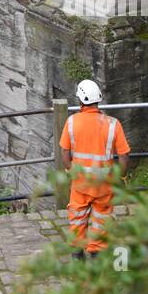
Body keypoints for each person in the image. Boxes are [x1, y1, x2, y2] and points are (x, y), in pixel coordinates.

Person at [59, 78, 130, 258]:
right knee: (101, 220)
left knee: (77, 218)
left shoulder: (72, 122)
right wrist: (120, 177)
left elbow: (65, 152)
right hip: (104, 185)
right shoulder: (113, 124)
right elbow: (124, 155)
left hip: (80, 183)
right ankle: (96, 253)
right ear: (98, 99)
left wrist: (70, 171)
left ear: (80, 100)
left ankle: (77, 253)